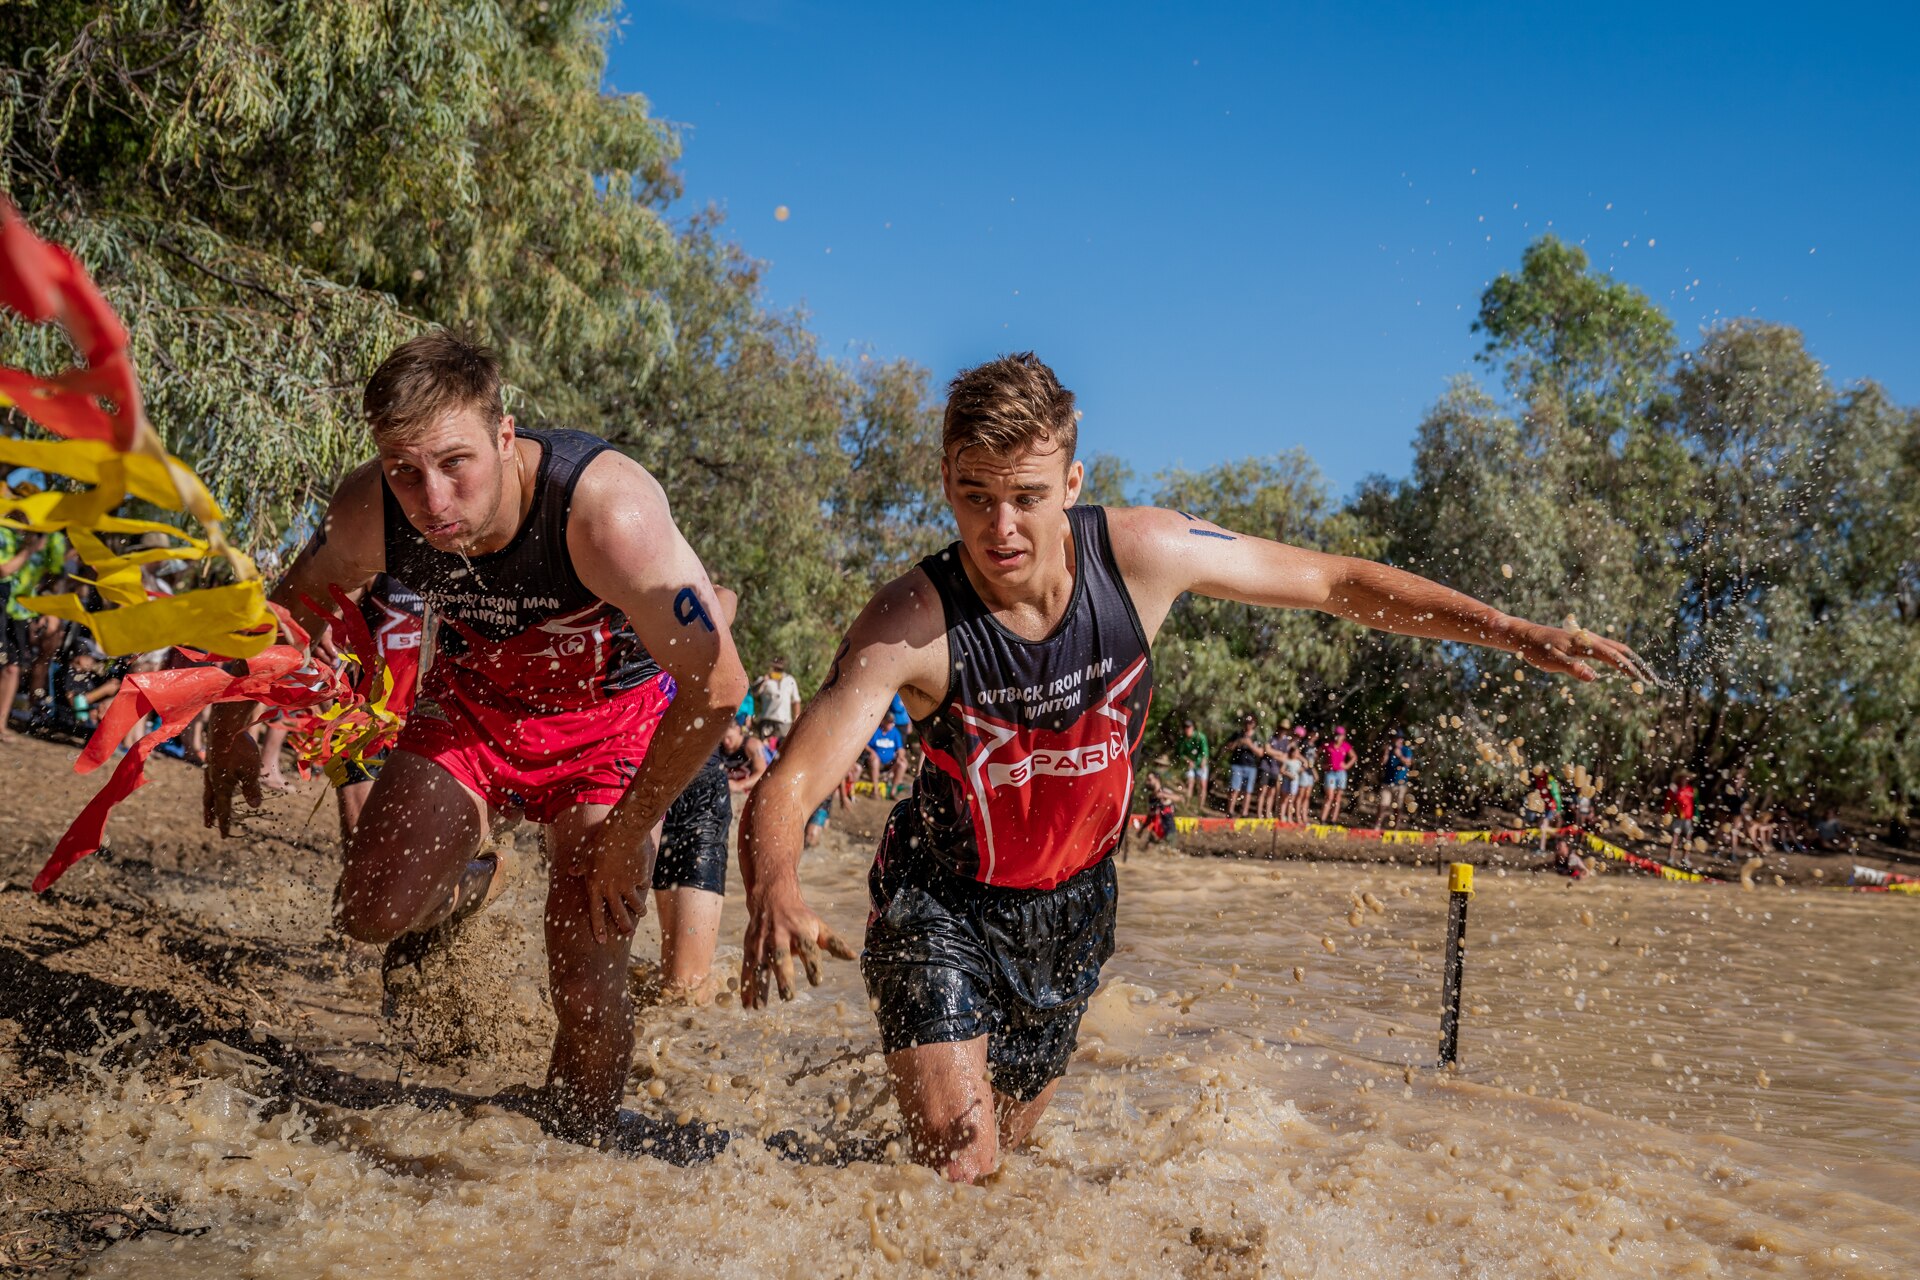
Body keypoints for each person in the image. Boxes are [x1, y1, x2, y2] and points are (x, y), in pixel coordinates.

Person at [733, 351, 1647, 1183]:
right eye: (975, 497)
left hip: (1073, 906)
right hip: (942, 898)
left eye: (1026, 497)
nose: (1000, 527)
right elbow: (790, 784)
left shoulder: (1142, 556)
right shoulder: (909, 624)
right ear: (946, 482)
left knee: (1010, 1158)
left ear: (1071, 485)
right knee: (965, 1166)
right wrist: (776, 885)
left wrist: (1508, 631)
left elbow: (1332, 582)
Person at [201, 331, 746, 1144]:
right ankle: (474, 883)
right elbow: (294, 604)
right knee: (368, 913)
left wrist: (629, 829)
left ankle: (570, 1165)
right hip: (472, 710)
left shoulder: (607, 512)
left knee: (587, 985)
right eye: (404, 470)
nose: (432, 501)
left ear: (504, 435)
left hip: (608, 731)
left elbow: (720, 684)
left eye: (455, 463)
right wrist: (231, 724)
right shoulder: (373, 509)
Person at [332, 574, 428, 844]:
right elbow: (328, 618)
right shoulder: (373, 568)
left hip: (419, 724)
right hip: (363, 720)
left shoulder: (447, 572)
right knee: (359, 837)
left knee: (408, 838)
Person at [0, 528, 67, 740]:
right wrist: (29, 548)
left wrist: (48, 609)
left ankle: (2, 723)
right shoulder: (4, 530)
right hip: (2, 602)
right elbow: (4, 570)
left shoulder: (53, 539)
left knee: (12, 667)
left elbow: (55, 578)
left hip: (21, 611)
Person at [752, 657, 802, 745]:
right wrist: (764, 680)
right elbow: (754, 692)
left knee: (782, 747)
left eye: (779, 669)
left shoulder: (790, 680)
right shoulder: (763, 679)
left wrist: (796, 718)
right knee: (765, 747)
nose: (777, 670)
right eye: (775, 668)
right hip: (767, 720)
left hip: (784, 722)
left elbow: (796, 700)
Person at [864, 711, 909, 795]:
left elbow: (900, 748)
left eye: (892, 723)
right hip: (876, 761)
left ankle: (893, 791)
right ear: (883, 721)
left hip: (890, 763)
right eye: (889, 722)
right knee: (874, 761)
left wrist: (900, 756)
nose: (891, 725)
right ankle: (875, 790)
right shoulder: (875, 731)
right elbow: (865, 745)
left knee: (902, 763)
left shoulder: (895, 732)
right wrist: (872, 752)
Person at [1225, 715, 1261, 817]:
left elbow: (1261, 753)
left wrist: (1250, 744)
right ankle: (1230, 811)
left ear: (1254, 724)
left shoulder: (1256, 737)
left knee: (1247, 791)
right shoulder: (1237, 734)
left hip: (1251, 766)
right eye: (1246, 722)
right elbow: (1228, 747)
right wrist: (1238, 742)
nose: (1248, 725)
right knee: (1234, 789)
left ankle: (1244, 813)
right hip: (1237, 764)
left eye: (1250, 723)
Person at [1375, 730, 1413, 828]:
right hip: (1387, 782)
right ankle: (1377, 826)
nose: (1397, 740)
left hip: (1400, 783)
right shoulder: (1389, 750)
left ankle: (1395, 828)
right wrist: (1386, 753)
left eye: (1399, 738)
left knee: (1397, 807)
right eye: (1395, 738)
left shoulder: (1406, 750)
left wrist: (1399, 755)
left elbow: (1408, 763)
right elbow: (1381, 764)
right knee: (1383, 804)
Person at [1318, 725, 1354, 824]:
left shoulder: (1346, 746)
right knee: (1329, 796)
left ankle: (1333, 820)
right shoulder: (1328, 745)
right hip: (1330, 773)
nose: (1338, 736)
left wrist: (1347, 765)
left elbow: (1354, 757)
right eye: (1337, 734)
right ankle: (1322, 819)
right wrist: (1321, 765)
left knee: (1338, 798)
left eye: (1340, 735)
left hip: (1341, 773)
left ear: (1344, 736)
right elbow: (1317, 754)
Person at [1176, 719, 1210, 804]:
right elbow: (1180, 754)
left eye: (1189, 727)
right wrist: (1187, 761)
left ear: (1193, 727)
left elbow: (1205, 752)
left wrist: (1203, 761)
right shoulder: (1182, 739)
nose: (1187, 729)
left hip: (1200, 764)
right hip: (1189, 765)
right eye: (1185, 727)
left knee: (1202, 785)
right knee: (1190, 783)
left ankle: (1200, 806)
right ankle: (1187, 805)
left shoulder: (1200, 737)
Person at [1663, 771, 1696, 857]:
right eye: (1682, 778)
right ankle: (1671, 857)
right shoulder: (1675, 789)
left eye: (1686, 778)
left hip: (1688, 817)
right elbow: (1668, 802)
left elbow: (1694, 803)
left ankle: (1685, 858)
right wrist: (1666, 814)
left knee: (1687, 839)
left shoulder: (1691, 789)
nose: (1684, 779)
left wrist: (1696, 815)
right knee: (1675, 837)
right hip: (1677, 816)